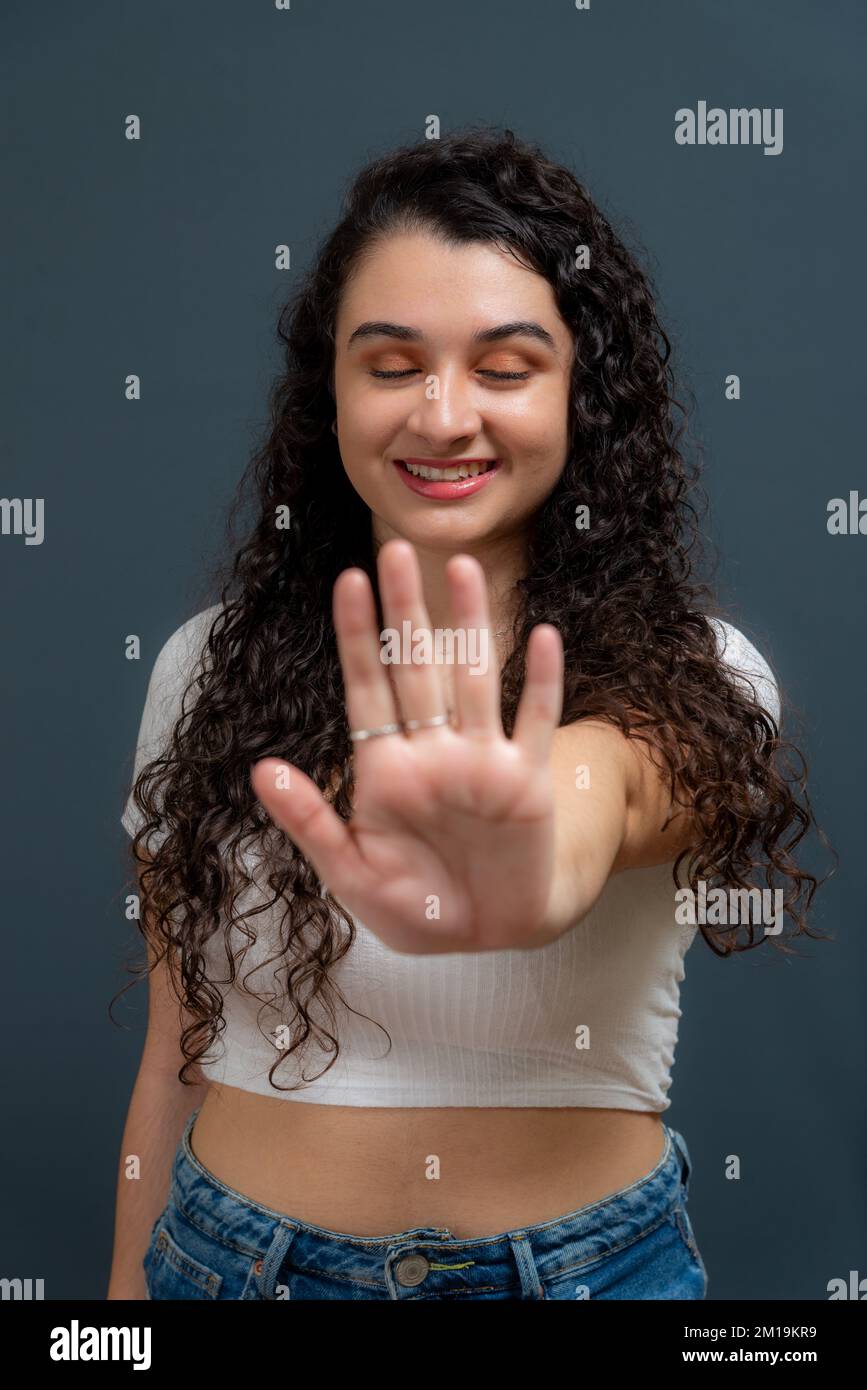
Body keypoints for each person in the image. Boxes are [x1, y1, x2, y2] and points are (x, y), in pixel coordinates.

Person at [108, 127, 821, 1301]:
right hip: (229, 1269)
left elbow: (610, 784)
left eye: (505, 367)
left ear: (582, 392)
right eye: (392, 365)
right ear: (327, 393)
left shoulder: (707, 671)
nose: (442, 416)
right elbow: (171, 1061)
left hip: (591, 1277)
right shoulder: (201, 671)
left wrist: (540, 843)